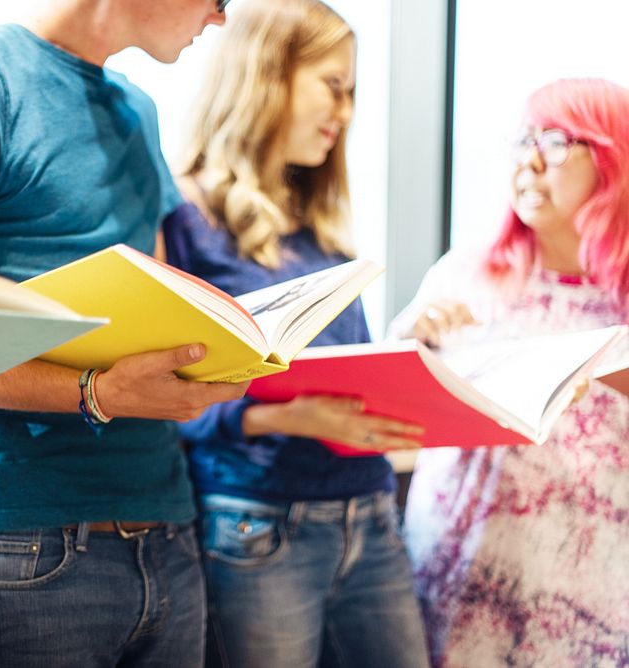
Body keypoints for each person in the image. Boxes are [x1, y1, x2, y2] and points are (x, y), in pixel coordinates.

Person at [0, 1, 245, 666]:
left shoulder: (139, 112)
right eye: (220, 0)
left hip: (167, 532)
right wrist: (95, 393)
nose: (220, 19)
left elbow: (158, 309)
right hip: (20, 544)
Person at [162, 1, 429, 666]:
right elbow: (164, 397)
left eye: (352, 92)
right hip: (258, 522)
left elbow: (343, 371)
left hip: (369, 511)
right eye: (333, 86)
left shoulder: (320, 228)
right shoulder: (185, 217)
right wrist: (287, 417)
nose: (345, 111)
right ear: (268, 76)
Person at [390, 78, 629, 667]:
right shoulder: (468, 272)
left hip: (586, 582)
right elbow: (393, 410)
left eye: (555, 141)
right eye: (523, 140)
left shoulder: (621, 299)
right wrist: (407, 340)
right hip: (460, 563)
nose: (530, 160)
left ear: (612, 158)